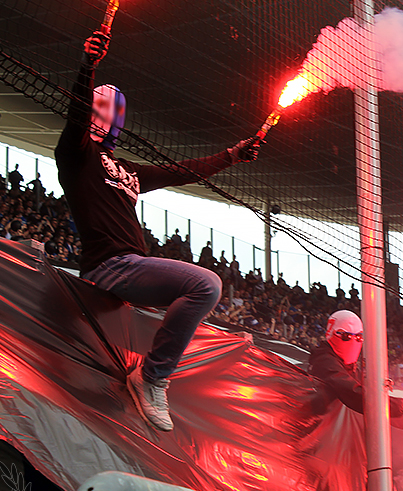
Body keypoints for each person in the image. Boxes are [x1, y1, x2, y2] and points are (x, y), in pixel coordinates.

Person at [55, 32, 261, 431]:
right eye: (98, 105)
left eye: (109, 108)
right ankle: (151, 378)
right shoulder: (75, 155)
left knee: (201, 288)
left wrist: (233, 155)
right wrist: (88, 66)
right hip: (108, 265)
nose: (104, 113)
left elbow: (182, 171)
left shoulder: (129, 170)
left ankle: (152, 373)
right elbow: (76, 114)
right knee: (206, 285)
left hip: (133, 265)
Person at [308, 310, 403, 422]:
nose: (353, 341)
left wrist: (377, 385)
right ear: (331, 333)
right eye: (346, 336)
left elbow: (361, 385)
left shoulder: (348, 366)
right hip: (316, 438)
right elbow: (354, 394)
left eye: (359, 337)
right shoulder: (324, 363)